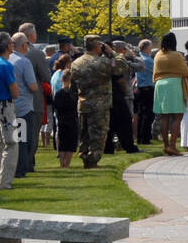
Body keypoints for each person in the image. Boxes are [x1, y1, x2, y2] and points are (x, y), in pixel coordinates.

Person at [72, 35, 128, 168]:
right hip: (100, 105)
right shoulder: (100, 62)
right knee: (98, 134)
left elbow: (73, 86)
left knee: (85, 134)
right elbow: (122, 65)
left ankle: (85, 157)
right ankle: (93, 161)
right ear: (98, 46)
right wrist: (112, 52)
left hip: (83, 103)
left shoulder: (76, 63)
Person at [0, 32, 20, 189]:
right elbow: (14, 92)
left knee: (0, 145)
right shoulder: (6, 66)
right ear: (8, 46)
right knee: (11, 144)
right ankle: (4, 182)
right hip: (6, 106)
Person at [19, 23, 51, 174]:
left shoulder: (11, 53)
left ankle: (19, 162)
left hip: (15, 100)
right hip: (33, 98)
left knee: (18, 134)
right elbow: (46, 76)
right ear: (31, 36)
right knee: (32, 134)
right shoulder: (36, 54)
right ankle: (28, 163)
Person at [152, 32, 188, 155]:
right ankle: (173, 146)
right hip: (174, 85)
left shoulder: (158, 54)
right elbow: (186, 71)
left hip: (160, 84)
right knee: (177, 116)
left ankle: (166, 145)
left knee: (164, 116)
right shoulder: (177, 55)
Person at [9, 32, 39, 179]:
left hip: (10, 106)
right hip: (24, 106)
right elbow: (33, 86)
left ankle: (12, 167)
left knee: (13, 139)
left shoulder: (7, 59)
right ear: (24, 45)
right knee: (23, 140)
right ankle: (20, 169)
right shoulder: (24, 62)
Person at [53, 69, 79, 168]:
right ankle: (67, 164)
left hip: (61, 120)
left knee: (63, 143)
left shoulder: (58, 94)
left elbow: (55, 107)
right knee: (70, 144)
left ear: (62, 80)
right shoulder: (73, 94)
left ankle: (61, 164)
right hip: (72, 120)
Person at [134, 38, 156, 145]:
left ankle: (140, 137)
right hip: (147, 88)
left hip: (140, 88)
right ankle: (145, 138)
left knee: (141, 114)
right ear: (147, 47)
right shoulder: (148, 60)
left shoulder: (138, 58)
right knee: (148, 115)